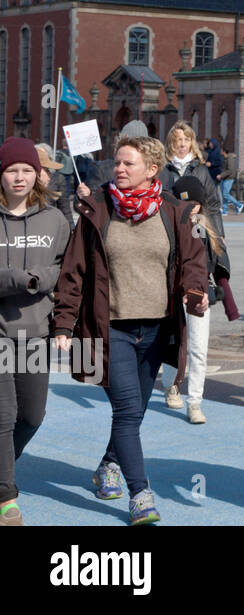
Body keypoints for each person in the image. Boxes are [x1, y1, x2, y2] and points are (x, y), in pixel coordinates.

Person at [52, 135, 208, 525]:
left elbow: (193, 259)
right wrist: (63, 324)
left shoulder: (175, 212)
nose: (118, 169)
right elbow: (74, 272)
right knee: (125, 409)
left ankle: (108, 463)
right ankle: (140, 493)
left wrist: (196, 291)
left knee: (134, 411)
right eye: (117, 163)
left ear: (152, 169)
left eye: (128, 164)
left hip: (156, 329)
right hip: (110, 330)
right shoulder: (98, 211)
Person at [0, 139, 71, 525]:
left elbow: (66, 271)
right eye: (12, 170)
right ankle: (6, 499)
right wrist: (18, 279)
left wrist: (44, 282)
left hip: (35, 333)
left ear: (37, 174)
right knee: (4, 415)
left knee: (32, 416)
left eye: (26, 170)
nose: (20, 177)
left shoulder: (55, 220)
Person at [158, 181, 235, 425]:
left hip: (198, 295)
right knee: (174, 344)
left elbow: (216, 265)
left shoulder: (202, 228)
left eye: (196, 204)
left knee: (198, 350)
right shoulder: (168, 224)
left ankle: (195, 403)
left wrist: (224, 300)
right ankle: (171, 385)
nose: (191, 208)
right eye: (186, 203)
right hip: (171, 295)